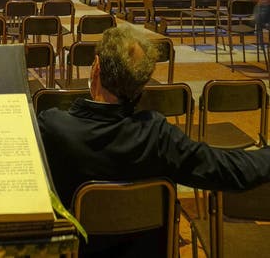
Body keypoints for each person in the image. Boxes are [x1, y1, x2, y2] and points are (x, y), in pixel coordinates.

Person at [38, 26, 270, 254]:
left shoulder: (54, 128)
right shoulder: (158, 135)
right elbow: (230, 170)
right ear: (142, 84)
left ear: (96, 68)